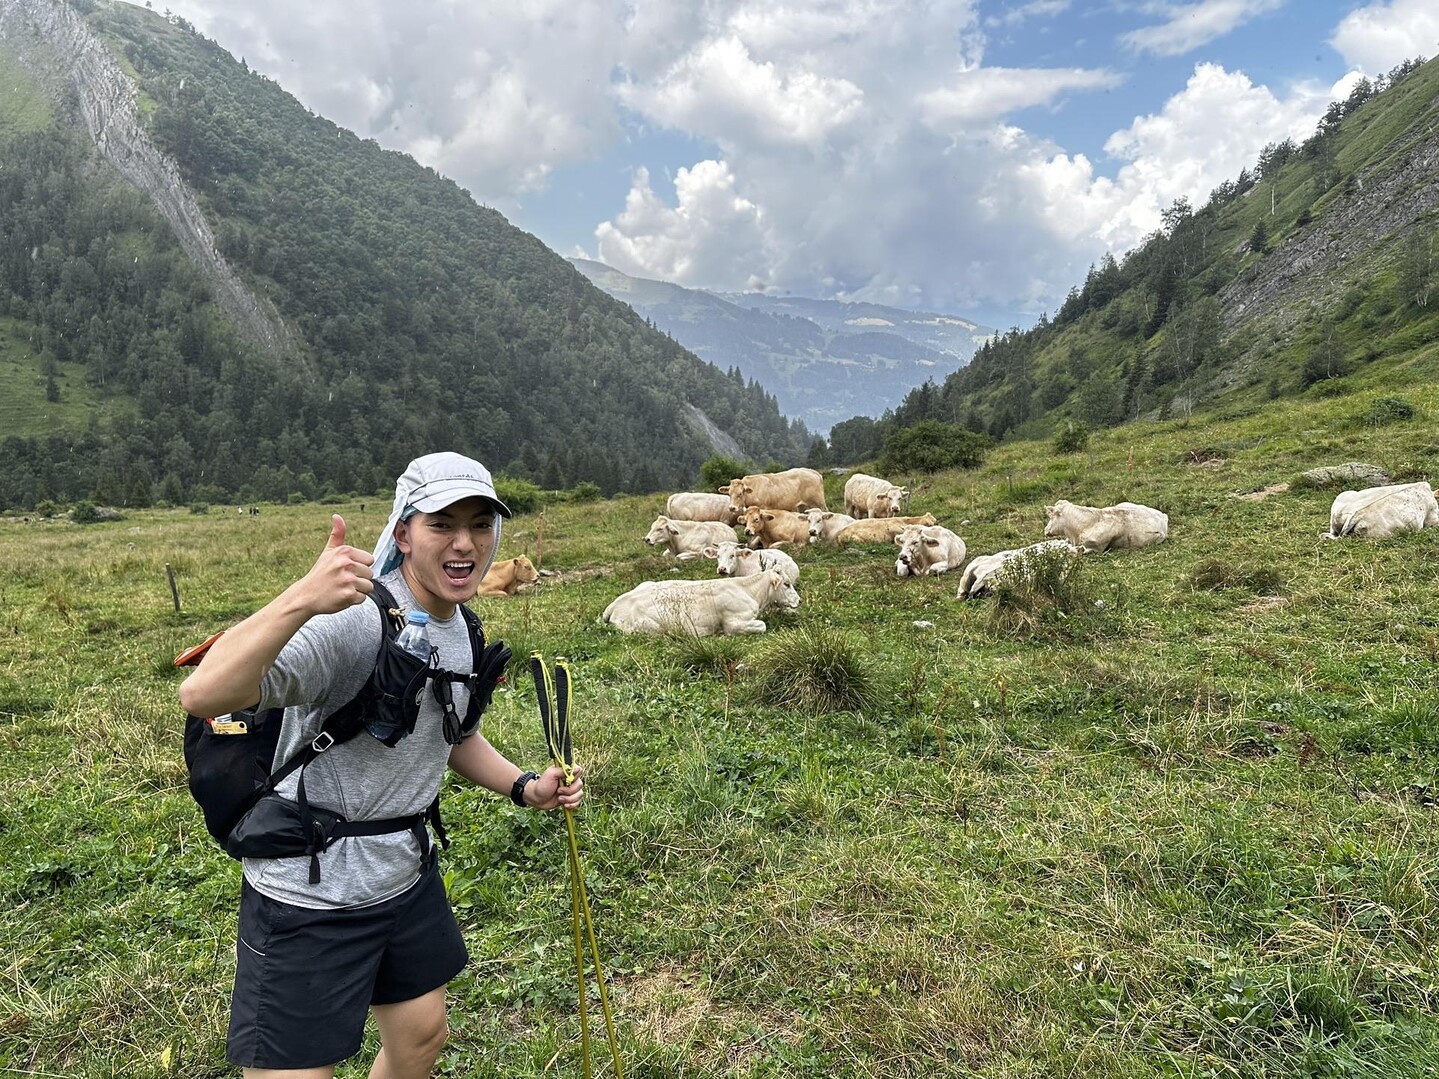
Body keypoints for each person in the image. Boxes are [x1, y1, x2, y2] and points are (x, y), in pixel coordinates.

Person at [179, 451, 583, 1079]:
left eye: (481, 525)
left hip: (405, 872)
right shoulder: (353, 622)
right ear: (402, 533)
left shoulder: (462, 629)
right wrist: (300, 601)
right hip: (313, 890)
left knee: (422, 1035)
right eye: (442, 525)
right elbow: (203, 695)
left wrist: (523, 785)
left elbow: (452, 734)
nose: (465, 543)